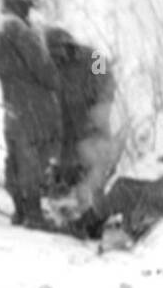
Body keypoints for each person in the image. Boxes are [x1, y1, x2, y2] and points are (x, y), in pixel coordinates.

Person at [0, 0, 61, 228]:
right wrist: (56, 80)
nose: (30, 8)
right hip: (33, 104)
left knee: (16, 158)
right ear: (17, 2)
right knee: (32, 160)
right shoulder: (18, 28)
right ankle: (35, 215)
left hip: (13, 102)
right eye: (27, 3)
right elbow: (42, 67)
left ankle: (20, 211)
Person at [44, 25, 116, 202]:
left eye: (58, 51)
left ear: (68, 45)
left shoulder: (94, 57)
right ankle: (64, 199)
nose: (56, 57)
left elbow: (107, 82)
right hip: (65, 121)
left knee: (95, 163)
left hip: (90, 119)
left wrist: (101, 106)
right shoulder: (49, 63)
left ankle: (95, 203)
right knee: (65, 162)